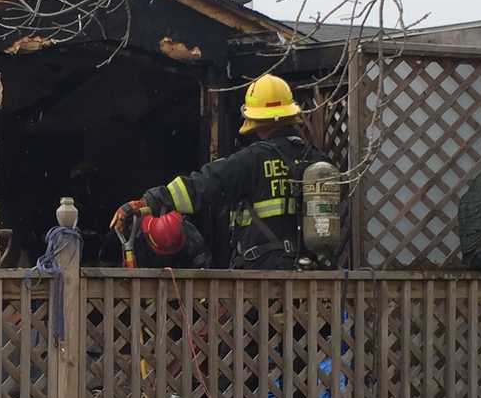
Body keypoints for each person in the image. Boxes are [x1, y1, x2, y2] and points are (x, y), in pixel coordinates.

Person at [114, 74, 327, 270]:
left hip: (261, 280)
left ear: (255, 117)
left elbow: (202, 186)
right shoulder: (317, 161)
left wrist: (150, 200)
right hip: (311, 278)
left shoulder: (250, 161)